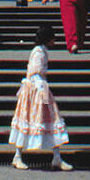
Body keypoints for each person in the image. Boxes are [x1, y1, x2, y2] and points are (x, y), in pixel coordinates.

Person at [9, 23, 72, 170]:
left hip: (38, 89)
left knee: (46, 120)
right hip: (37, 91)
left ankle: (56, 156)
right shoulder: (39, 53)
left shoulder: (41, 51)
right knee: (39, 119)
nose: (54, 41)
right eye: (53, 38)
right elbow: (35, 74)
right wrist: (43, 96)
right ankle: (18, 156)